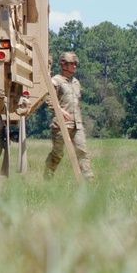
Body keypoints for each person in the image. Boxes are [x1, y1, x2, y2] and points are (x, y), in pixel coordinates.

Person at [45, 51, 95, 180]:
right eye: (72, 64)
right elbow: (48, 99)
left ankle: (89, 180)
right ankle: (48, 176)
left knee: (82, 151)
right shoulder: (56, 81)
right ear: (64, 65)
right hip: (61, 124)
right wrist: (60, 111)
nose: (75, 66)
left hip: (77, 124)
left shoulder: (76, 82)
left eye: (75, 64)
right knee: (58, 154)